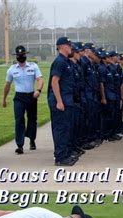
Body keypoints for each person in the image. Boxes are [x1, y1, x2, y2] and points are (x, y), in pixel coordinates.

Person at [2, 45, 44, 154]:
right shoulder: (11, 69)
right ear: (16, 56)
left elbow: (40, 79)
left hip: (31, 96)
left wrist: (38, 90)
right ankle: (19, 145)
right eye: (19, 55)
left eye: (22, 54)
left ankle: (32, 139)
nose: (21, 56)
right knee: (19, 120)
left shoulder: (33, 66)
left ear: (26, 55)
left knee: (32, 119)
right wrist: (4, 99)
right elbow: (7, 85)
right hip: (19, 97)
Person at [48, 36, 76, 166]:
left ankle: (64, 154)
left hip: (67, 100)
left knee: (66, 129)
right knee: (60, 129)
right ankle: (60, 157)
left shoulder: (66, 61)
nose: (71, 47)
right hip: (61, 101)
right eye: (69, 45)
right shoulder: (59, 61)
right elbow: (55, 81)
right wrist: (59, 101)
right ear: (62, 46)